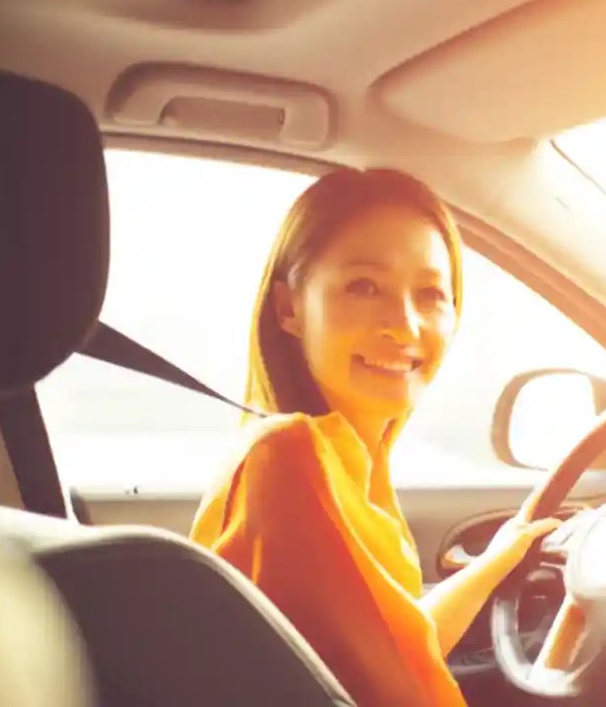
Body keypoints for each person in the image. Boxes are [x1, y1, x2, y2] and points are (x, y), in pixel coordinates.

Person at [190, 167, 561, 706]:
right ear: (289, 309)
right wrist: (574, 628)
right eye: (364, 286)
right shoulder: (290, 461)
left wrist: (498, 560)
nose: (404, 324)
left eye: (432, 293)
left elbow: (394, 647)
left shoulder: (336, 462)